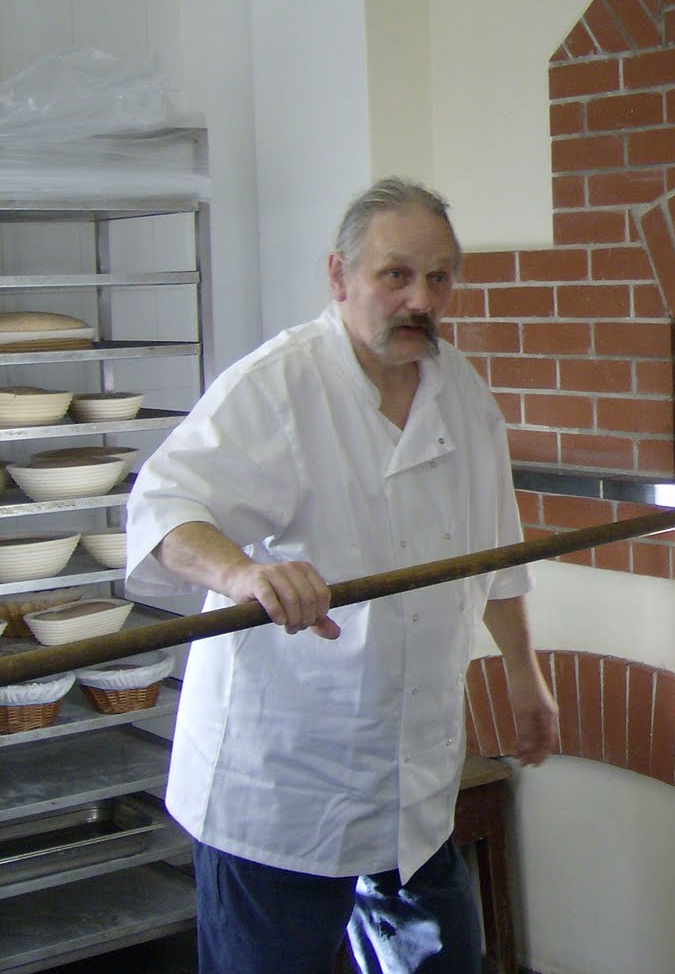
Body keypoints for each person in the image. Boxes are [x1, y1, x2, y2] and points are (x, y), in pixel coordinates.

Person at [125, 177, 558, 974]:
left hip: (410, 780)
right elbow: (160, 511)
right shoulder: (278, 387)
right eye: (395, 274)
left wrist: (527, 675)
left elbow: (496, 551)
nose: (419, 298)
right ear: (340, 276)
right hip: (285, 783)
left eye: (438, 277)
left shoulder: (462, 394)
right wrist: (242, 574)